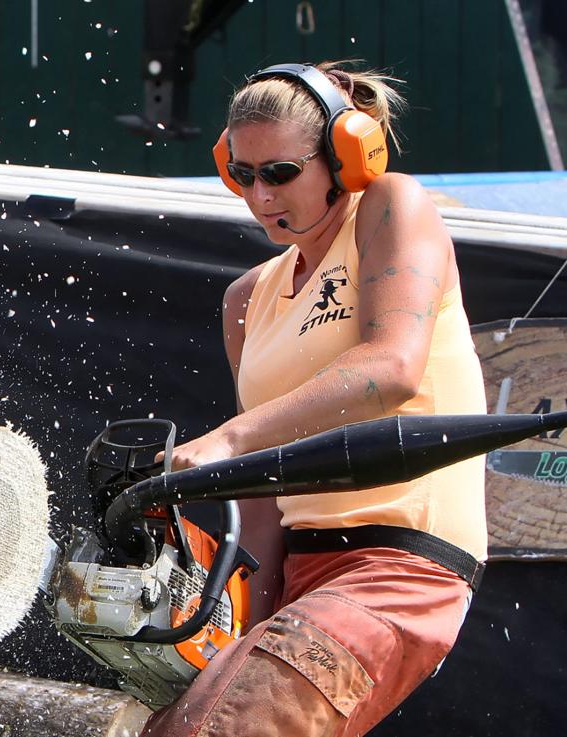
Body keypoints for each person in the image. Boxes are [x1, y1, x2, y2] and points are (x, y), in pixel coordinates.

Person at [143, 62, 487, 737]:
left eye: (280, 172)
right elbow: (263, 500)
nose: (260, 195)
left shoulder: (390, 205)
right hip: (305, 571)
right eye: (243, 174)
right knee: (181, 723)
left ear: (345, 157)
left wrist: (229, 439)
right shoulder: (247, 298)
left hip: (397, 564)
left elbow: (392, 367)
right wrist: (238, 632)